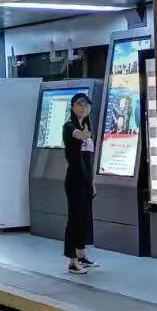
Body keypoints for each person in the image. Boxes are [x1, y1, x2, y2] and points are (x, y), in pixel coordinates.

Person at [62, 92, 96, 274]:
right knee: (74, 220)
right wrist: (83, 134)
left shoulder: (88, 128)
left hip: (87, 181)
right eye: (80, 104)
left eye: (86, 105)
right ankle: (72, 261)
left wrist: (93, 182)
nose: (83, 108)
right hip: (75, 180)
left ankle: (81, 255)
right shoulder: (69, 127)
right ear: (72, 106)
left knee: (84, 219)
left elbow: (90, 159)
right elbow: (78, 135)